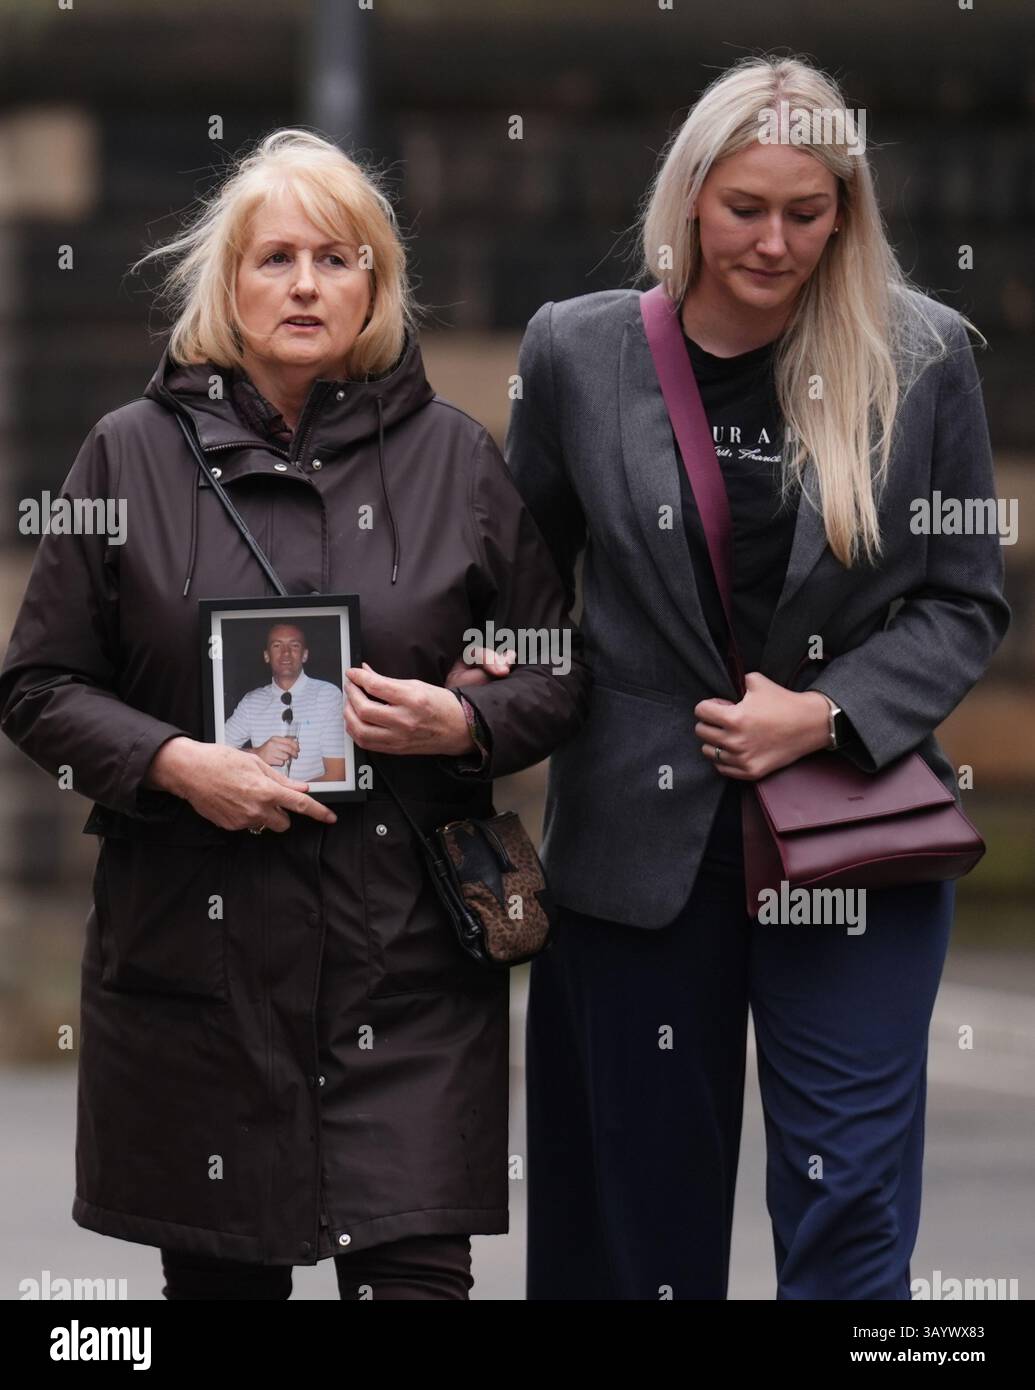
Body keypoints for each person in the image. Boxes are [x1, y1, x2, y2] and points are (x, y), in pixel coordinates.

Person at [0, 128, 589, 1300]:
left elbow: (556, 671)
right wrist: (172, 761)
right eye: (275, 258)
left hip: (407, 961)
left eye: (338, 256)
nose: (307, 284)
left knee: (418, 1276)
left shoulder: (456, 460)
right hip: (199, 963)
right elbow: (38, 683)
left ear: (378, 282)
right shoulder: (128, 456)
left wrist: (458, 725)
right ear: (227, 283)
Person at [503, 56, 1011, 1299]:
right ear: (688, 198)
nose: (775, 241)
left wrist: (826, 713)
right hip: (636, 850)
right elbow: (522, 581)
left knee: (849, 1205)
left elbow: (963, 600)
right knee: (637, 1227)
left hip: (853, 843)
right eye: (745, 208)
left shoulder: (925, 355)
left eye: (806, 210)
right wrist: (484, 675)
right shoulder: (577, 352)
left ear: (846, 209)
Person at [223, 622, 347, 782]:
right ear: (266, 656)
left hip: (313, 804)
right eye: (277, 645)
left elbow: (338, 775)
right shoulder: (251, 701)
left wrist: (282, 797)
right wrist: (256, 754)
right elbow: (216, 752)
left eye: (294, 645)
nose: (286, 653)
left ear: (305, 655)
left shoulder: (328, 695)